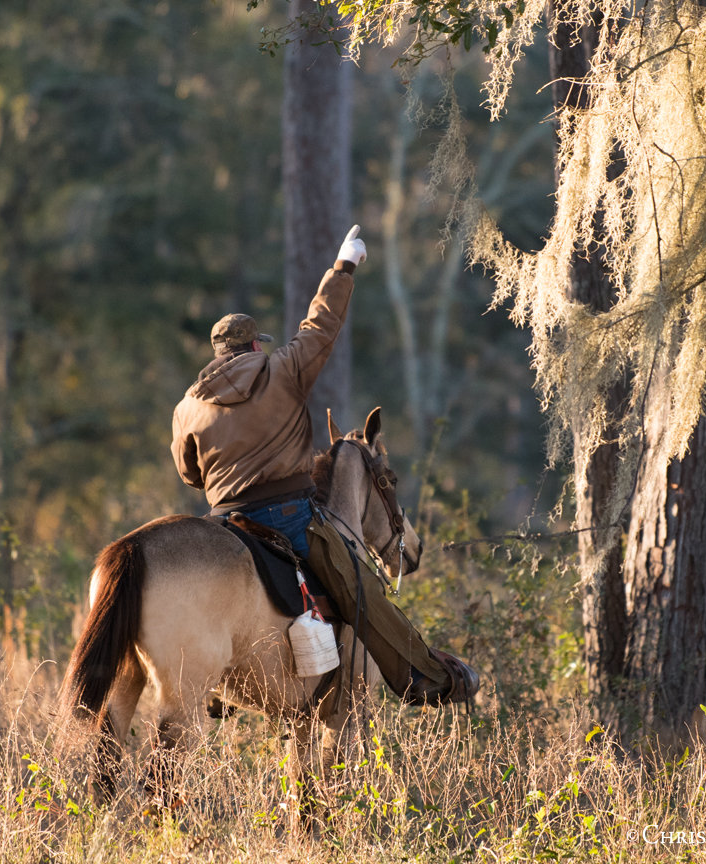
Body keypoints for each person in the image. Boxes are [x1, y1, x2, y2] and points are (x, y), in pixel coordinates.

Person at [171, 225, 478, 705]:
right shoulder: (282, 369)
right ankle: (426, 679)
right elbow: (321, 325)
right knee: (362, 593)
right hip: (289, 516)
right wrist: (344, 265)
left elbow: (190, 476)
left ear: (219, 354)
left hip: (225, 521)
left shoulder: (188, 406)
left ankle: (215, 690)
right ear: (255, 347)